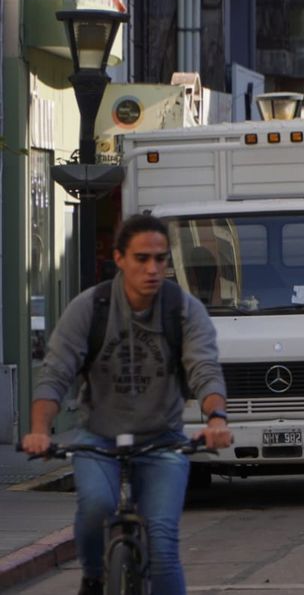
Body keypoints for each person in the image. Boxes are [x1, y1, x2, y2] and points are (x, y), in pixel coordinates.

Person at [21, 214, 232, 595]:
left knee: (163, 543)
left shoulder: (183, 310)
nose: (152, 269)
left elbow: (204, 369)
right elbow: (55, 375)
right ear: (119, 258)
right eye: (141, 258)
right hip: (98, 437)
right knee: (96, 507)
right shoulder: (91, 307)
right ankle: (93, 577)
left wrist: (216, 417)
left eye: (160, 259)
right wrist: (39, 431)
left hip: (162, 440)